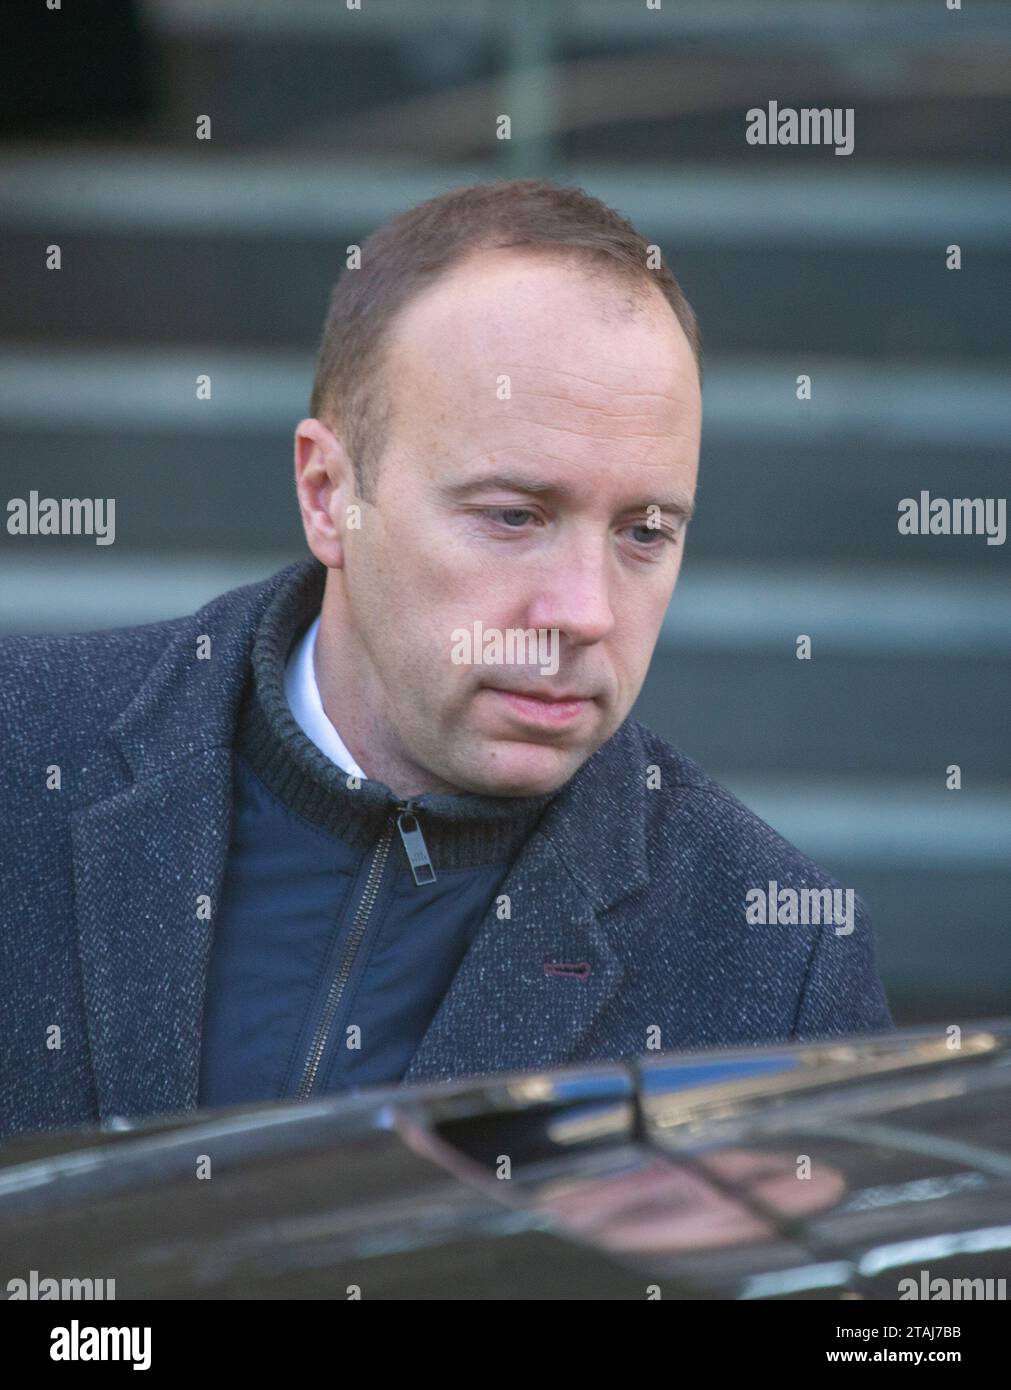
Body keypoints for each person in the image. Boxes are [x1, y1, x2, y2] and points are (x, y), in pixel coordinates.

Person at [0, 179, 893, 1141]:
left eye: (644, 531)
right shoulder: (25, 750)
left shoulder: (772, 959)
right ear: (327, 493)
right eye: (513, 516)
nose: (583, 614)